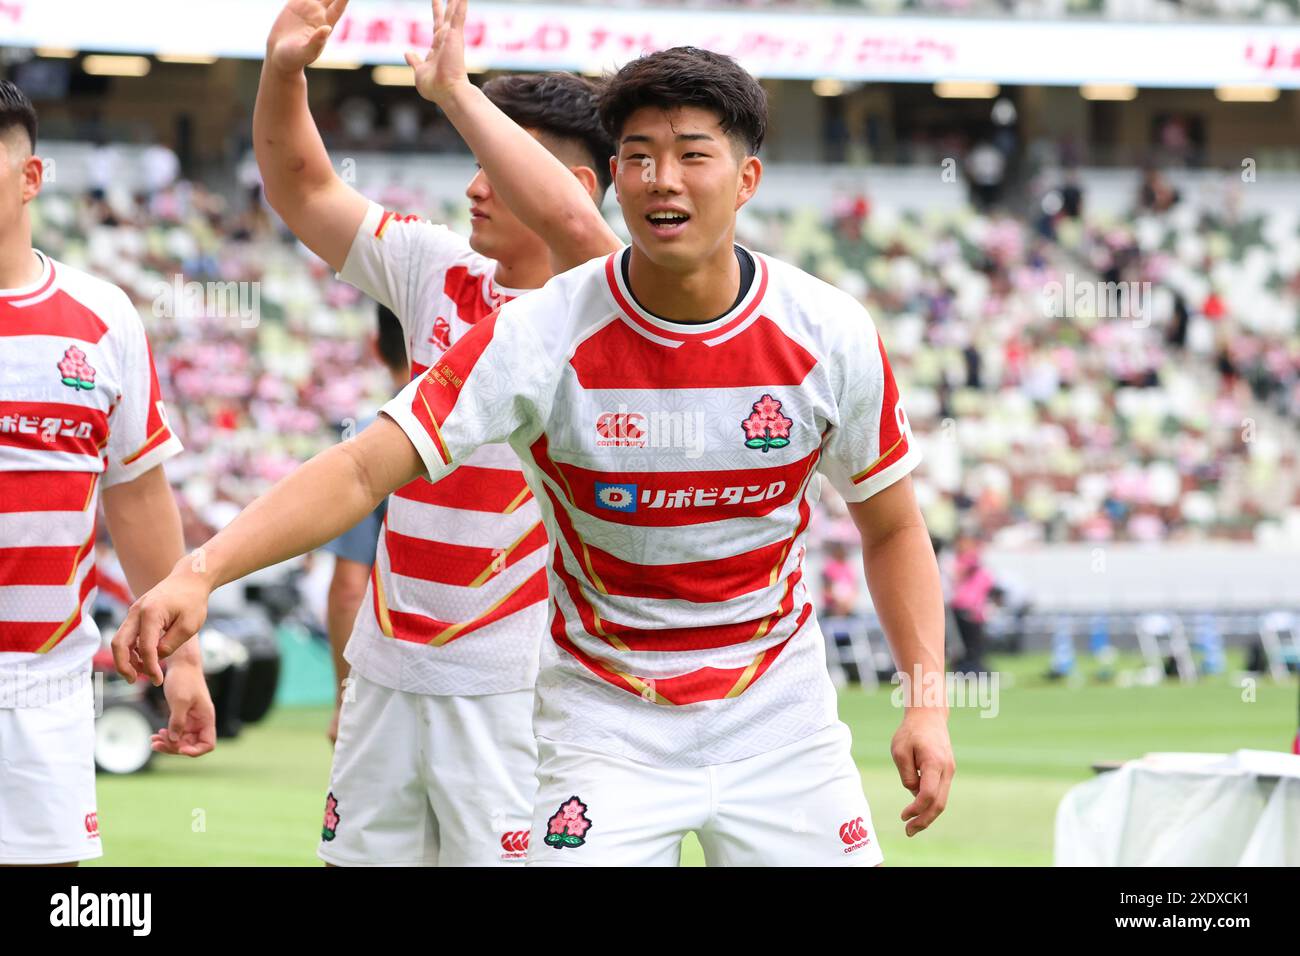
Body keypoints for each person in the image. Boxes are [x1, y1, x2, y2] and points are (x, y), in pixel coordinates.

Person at [115, 45, 954, 867]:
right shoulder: (539, 330)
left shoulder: (829, 332)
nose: (664, 179)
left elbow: (893, 530)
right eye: (641, 157)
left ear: (747, 179)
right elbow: (367, 466)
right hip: (603, 729)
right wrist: (202, 569)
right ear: (615, 178)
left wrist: (926, 704)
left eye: (692, 155)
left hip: (780, 724)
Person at [252, 0, 619, 865]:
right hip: (386, 671)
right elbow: (303, 185)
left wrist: (453, 90)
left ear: (578, 188)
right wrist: (282, 72)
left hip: (515, 688)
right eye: (475, 158)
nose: (474, 184)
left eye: (498, 161)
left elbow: (585, 247)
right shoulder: (434, 270)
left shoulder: (606, 311)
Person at [0, 80, 214, 867]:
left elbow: (137, 497)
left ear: (31, 177)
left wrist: (183, 660)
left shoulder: (102, 318)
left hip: (44, 688)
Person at [322, 304, 408, 745]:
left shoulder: (365, 440)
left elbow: (349, 588)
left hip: (390, 683)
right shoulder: (504, 430)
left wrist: (344, 699)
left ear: (375, 348)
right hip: (500, 682)